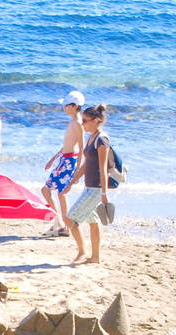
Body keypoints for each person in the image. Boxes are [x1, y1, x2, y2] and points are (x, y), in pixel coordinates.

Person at [62, 104, 113, 265]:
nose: (82, 124)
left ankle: (83, 252)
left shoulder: (102, 140)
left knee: (70, 219)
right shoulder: (91, 138)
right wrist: (73, 181)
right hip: (88, 186)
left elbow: (103, 169)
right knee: (93, 221)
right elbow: (86, 164)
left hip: (96, 188)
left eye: (85, 121)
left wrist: (104, 194)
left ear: (96, 120)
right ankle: (95, 257)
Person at [41, 91, 85, 236]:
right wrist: (53, 158)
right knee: (55, 192)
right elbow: (66, 144)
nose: (64, 108)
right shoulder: (72, 122)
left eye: (66, 105)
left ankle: (63, 224)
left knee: (56, 192)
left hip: (69, 161)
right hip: (64, 160)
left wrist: (78, 170)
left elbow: (81, 146)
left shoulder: (78, 124)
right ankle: (61, 223)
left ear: (74, 106)